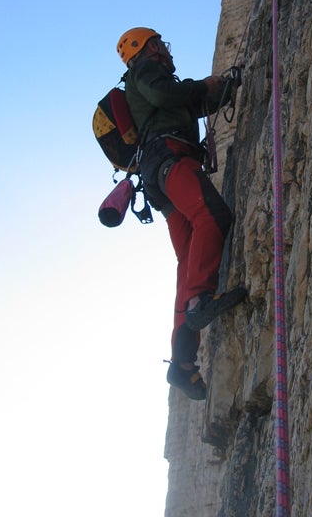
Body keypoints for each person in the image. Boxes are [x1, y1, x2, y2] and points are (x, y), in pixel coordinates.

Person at [116, 27, 247, 400]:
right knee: (213, 216)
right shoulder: (145, 72)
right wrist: (203, 86)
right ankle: (200, 300)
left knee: (188, 261)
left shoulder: (152, 83)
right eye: (159, 43)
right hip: (171, 160)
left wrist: (222, 89)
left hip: (159, 174)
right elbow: (168, 94)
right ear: (145, 48)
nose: (165, 49)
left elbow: (186, 104)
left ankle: (183, 364)